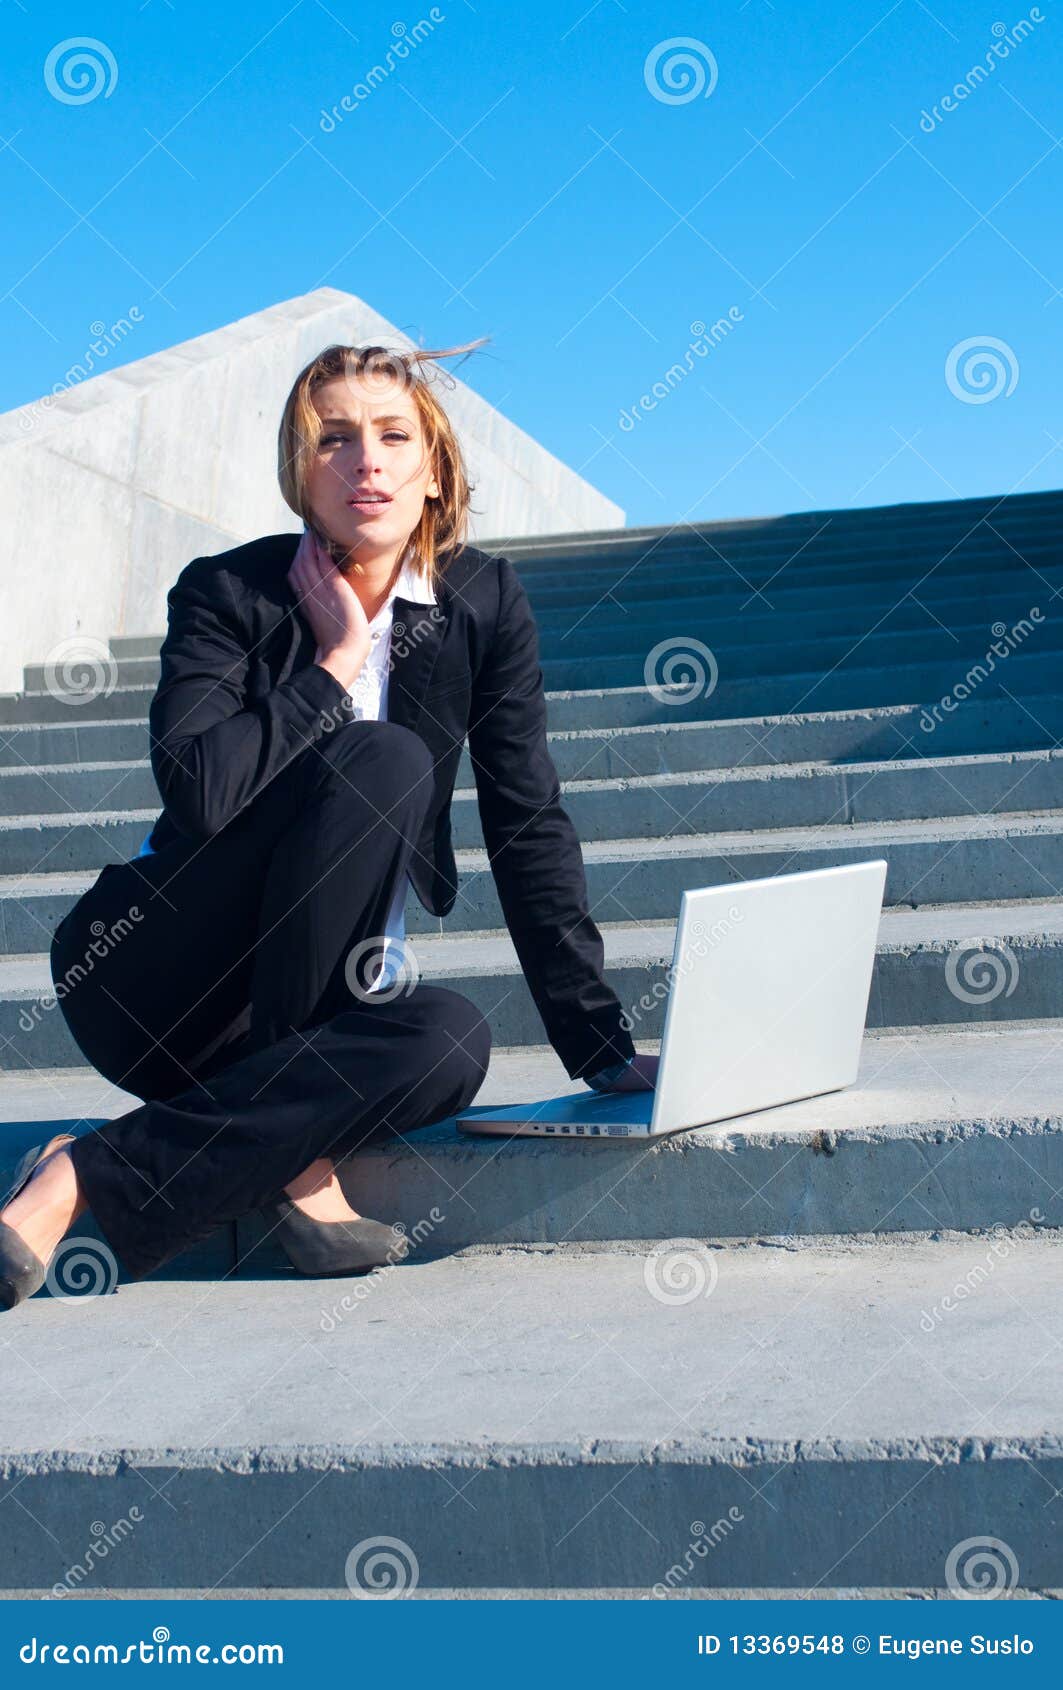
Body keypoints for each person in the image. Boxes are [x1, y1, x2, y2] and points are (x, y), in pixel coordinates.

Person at [0, 339, 657, 1313]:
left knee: (451, 1041)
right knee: (385, 753)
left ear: (434, 468)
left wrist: (595, 1041)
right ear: (299, 468)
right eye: (336, 439)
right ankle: (297, 1153)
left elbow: (526, 821)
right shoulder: (229, 593)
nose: (368, 461)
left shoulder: (483, 604)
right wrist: (333, 664)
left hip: (303, 998)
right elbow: (200, 794)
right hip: (152, 974)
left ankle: (90, 1169)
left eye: (394, 435)